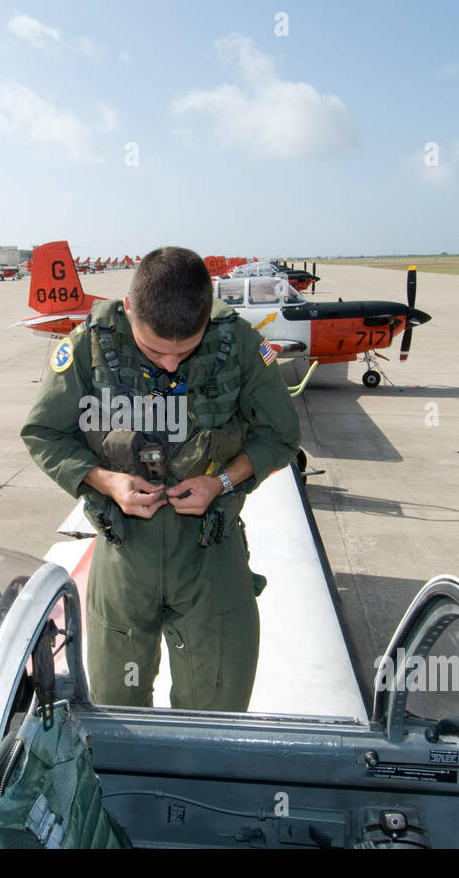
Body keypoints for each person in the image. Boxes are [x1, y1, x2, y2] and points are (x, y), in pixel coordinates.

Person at [20, 247, 301, 712]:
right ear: (129, 310)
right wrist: (106, 481)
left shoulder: (244, 345)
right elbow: (45, 433)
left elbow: (281, 437)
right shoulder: (88, 346)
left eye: (184, 352)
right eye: (155, 350)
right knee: (116, 709)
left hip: (212, 556)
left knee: (217, 709)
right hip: (125, 555)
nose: (170, 366)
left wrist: (223, 483)